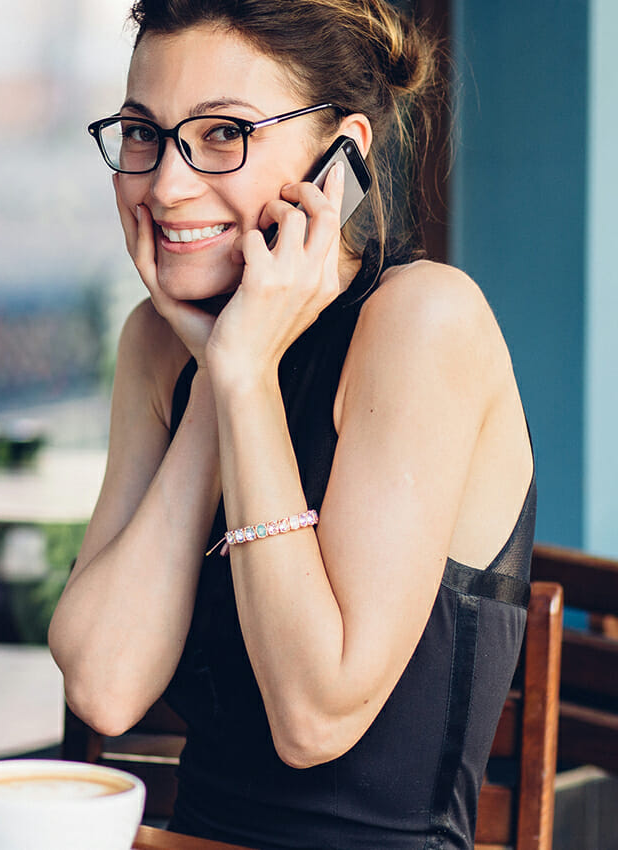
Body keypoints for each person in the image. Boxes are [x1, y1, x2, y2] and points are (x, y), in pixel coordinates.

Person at [47, 2, 535, 848]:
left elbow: (314, 718)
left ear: (336, 156)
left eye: (224, 133)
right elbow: (104, 685)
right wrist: (216, 381)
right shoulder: (159, 343)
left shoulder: (422, 323)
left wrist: (241, 376)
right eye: (140, 132)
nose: (165, 183)